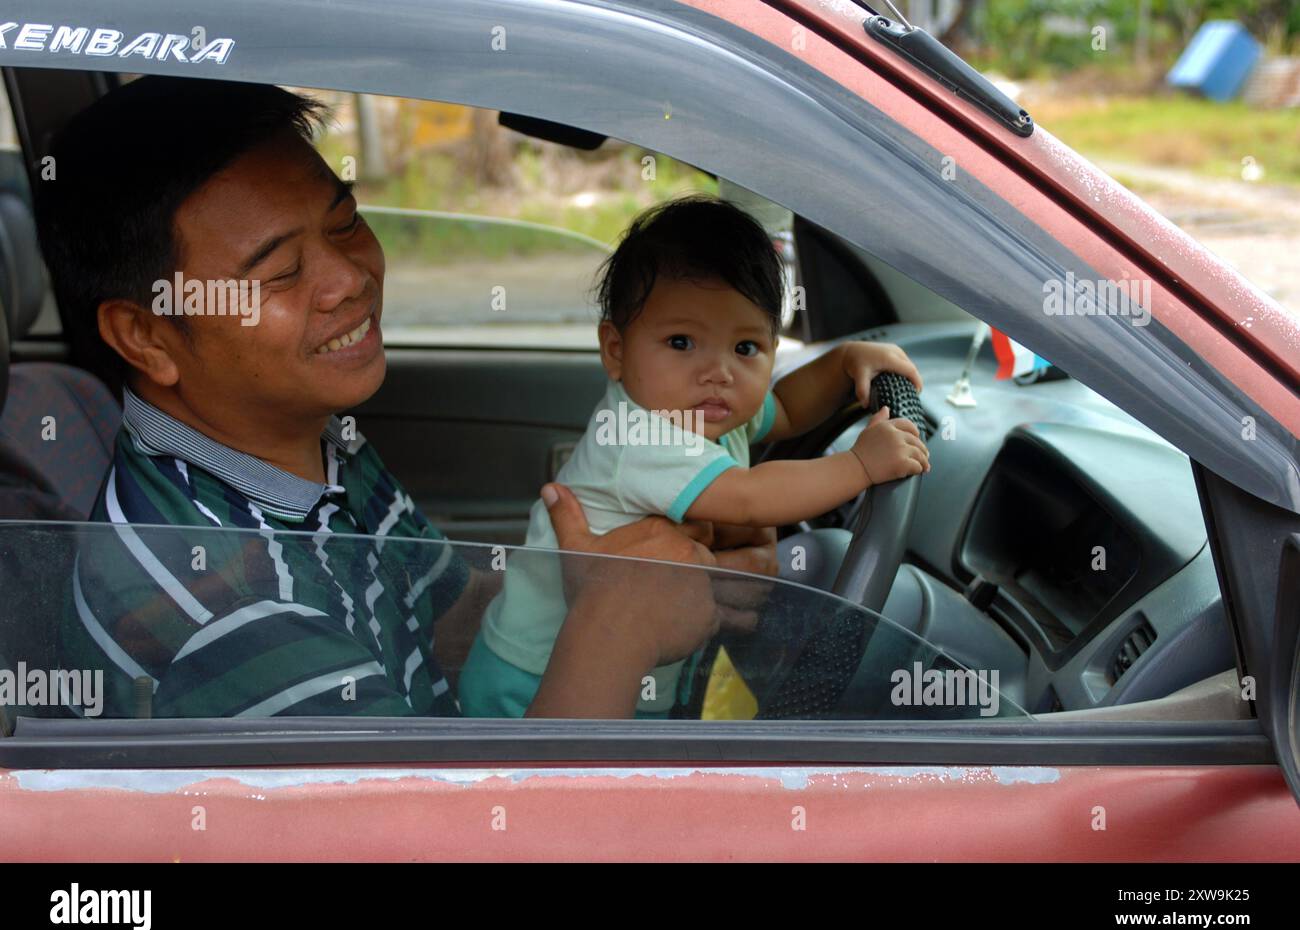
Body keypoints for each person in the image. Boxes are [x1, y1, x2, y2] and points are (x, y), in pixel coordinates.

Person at [39, 76, 774, 719]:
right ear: (146, 336)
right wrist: (617, 629)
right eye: (284, 272)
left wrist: (622, 583)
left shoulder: (304, 445)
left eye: (346, 223)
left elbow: (443, 623)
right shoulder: (221, 615)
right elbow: (472, 842)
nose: (350, 278)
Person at [460, 196, 929, 717]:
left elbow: (789, 408)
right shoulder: (637, 436)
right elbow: (750, 499)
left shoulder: (703, 410)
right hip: (533, 676)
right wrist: (860, 466)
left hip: (613, 658)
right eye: (682, 341)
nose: (719, 372)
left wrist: (845, 362)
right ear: (615, 351)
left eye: (746, 348)